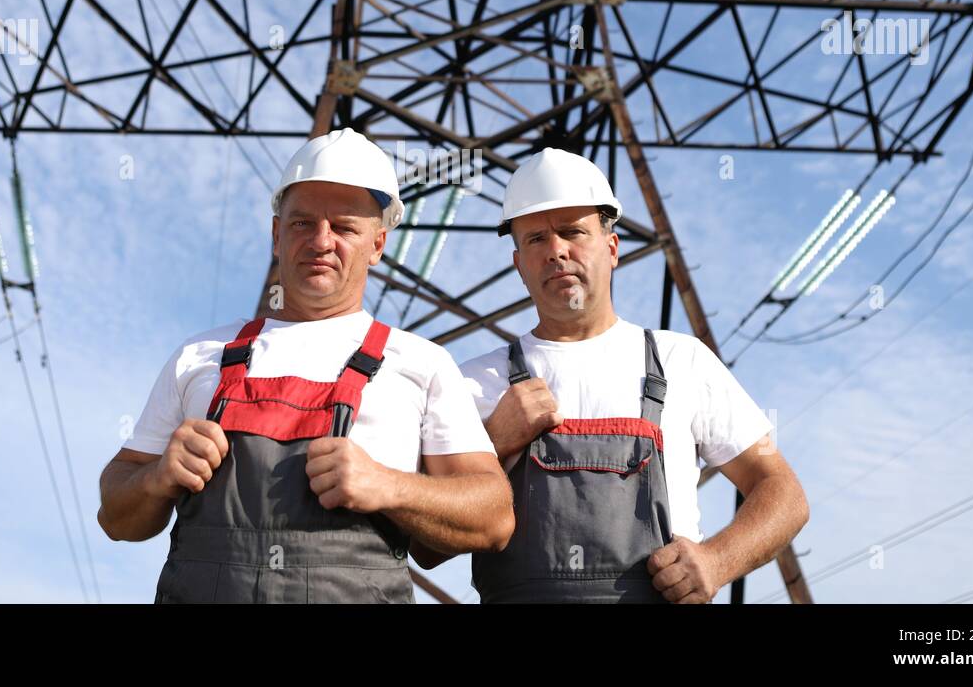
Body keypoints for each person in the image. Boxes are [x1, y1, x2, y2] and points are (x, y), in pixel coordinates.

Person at [96, 128, 513, 603]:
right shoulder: (201, 354)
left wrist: (390, 486)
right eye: (301, 223)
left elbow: (494, 519)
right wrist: (158, 476)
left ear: (377, 244)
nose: (321, 241)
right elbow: (115, 516)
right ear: (277, 234)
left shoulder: (422, 363)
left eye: (344, 227)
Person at [434, 147, 809, 603]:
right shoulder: (472, 382)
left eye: (573, 232)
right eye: (535, 239)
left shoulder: (680, 361)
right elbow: (424, 548)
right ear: (518, 263)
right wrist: (493, 444)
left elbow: (783, 492)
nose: (556, 251)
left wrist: (717, 560)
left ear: (612, 249)